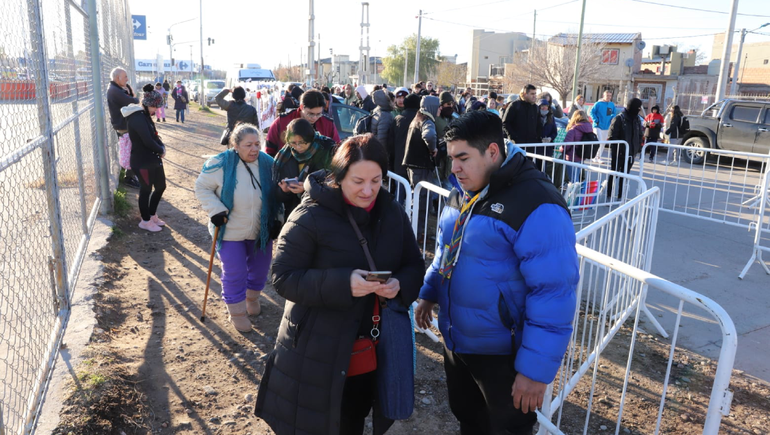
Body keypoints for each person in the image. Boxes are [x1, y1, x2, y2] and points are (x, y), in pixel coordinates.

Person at [415, 110, 578, 435]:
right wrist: (429, 293)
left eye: (463, 158)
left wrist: (534, 372)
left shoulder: (537, 203)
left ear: (493, 151)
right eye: (451, 158)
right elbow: (448, 250)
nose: (454, 168)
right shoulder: (462, 189)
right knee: (470, 422)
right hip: (459, 341)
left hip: (503, 353)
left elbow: (554, 293)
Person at [255, 134, 425, 435]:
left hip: (371, 346)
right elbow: (282, 276)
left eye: (377, 180)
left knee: (352, 419)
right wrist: (342, 283)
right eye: (358, 180)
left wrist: (399, 284)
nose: (369, 190)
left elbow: (413, 264)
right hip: (317, 347)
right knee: (314, 421)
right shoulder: (310, 215)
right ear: (338, 176)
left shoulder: (392, 212)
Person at [194, 123, 280, 330]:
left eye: (257, 144)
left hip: (261, 230)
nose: (254, 149)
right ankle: (237, 312)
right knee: (235, 271)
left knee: (260, 270)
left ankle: (251, 299)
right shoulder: (220, 163)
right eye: (248, 145)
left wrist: (278, 218)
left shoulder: (269, 164)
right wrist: (216, 210)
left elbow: (278, 194)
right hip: (229, 229)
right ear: (235, 145)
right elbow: (202, 187)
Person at [121, 84, 168, 232]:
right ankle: (145, 221)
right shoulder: (137, 117)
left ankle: (152, 215)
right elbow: (147, 140)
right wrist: (160, 149)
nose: (156, 110)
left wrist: (161, 147)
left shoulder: (146, 116)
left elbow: (154, 135)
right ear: (148, 104)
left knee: (161, 186)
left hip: (153, 158)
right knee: (146, 189)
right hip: (142, 161)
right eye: (155, 107)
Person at [273, 118, 335, 220]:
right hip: (294, 215)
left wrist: (307, 190)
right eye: (293, 143)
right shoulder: (285, 155)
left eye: (302, 142)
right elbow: (278, 195)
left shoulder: (327, 150)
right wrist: (284, 191)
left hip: (321, 216)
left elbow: (333, 190)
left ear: (311, 138)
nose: (298, 147)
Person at [266, 89, 340, 156]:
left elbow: (337, 151)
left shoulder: (328, 124)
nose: (314, 118)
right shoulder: (282, 121)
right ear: (301, 107)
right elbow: (268, 151)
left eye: (318, 114)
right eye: (310, 114)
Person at [106, 67, 141, 189]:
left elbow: (131, 98)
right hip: (123, 125)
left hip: (125, 124)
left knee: (133, 149)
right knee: (133, 151)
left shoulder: (117, 89)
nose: (127, 79)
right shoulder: (114, 91)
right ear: (117, 78)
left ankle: (131, 176)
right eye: (125, 77)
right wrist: (134, 98)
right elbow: (132, 101)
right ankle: (129, 178)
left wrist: (130, 92)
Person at [607, 98, 644, 200]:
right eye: (637, 107)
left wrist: (637, 147)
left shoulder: (637, 119)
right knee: (614, 173)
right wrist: (620, 148)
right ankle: (609, 195)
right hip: (619, 152)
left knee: (625, 174)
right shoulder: (620, 118)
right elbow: (612, 136)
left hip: (631, 152)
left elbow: (639, 134)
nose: (639, 109)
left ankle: (621, 196)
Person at [403, 95, 440, 187]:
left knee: (416, 195)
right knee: (423, 197)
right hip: (421, 166)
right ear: (432, 107)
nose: (440, 109)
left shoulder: (417, 118)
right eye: (438, 106)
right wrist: (433, 148)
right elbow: (429, 135)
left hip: (413, 165)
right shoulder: (427, 121)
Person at [392, 93, 421, 179]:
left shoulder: (398, 119)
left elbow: (390, 143)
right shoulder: (421, 120)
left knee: (400, 190)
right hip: (416, 165)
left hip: (399, 162)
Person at [563, 110, 594, 182]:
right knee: (576, 177)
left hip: (571, 156)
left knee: (573, 179)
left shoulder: (573, 129)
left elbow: (567, 144)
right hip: (581, 156)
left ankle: (574, 193)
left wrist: (561, 149)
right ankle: (577, 192)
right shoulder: (589, 128)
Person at [590, 90, 617, 162]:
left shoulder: (611, 104)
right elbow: (592, 112)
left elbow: (614, 113)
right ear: (603, 96)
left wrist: (612, 118)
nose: (609, 97)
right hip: (598, 125)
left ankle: (598, 157)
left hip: (607, 126)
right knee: (599, 140)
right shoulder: (598, 104)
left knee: (603, 142)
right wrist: (596, 120)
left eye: (610, 96)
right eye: (607, 95)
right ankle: (594, 156)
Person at [535, 98, 557, 163]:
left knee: (544, 167)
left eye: (546, 106)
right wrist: (540, 138)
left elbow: (554, 132)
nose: (544, 107)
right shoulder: (535, 117)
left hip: (547, 147)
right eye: (542, 106)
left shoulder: (551, 117)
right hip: (537, 146)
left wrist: (550, 138)